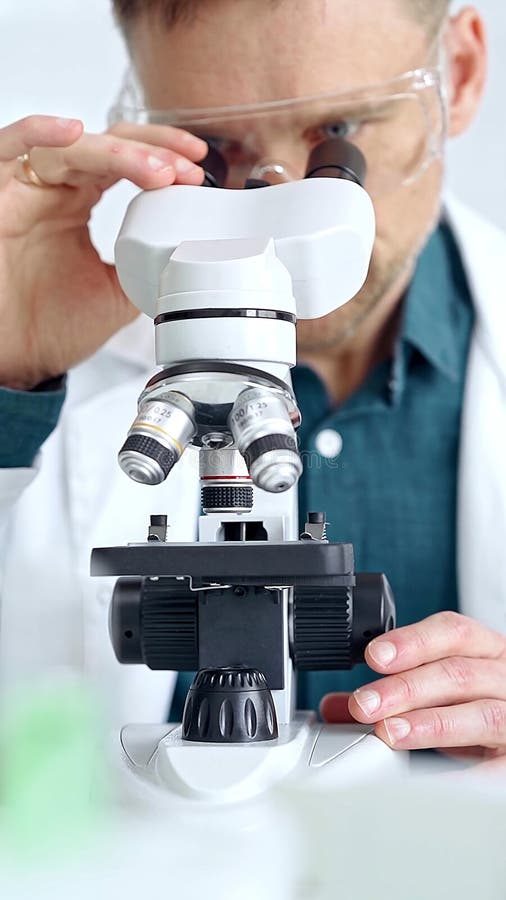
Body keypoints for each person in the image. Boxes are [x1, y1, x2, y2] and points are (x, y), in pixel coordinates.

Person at [1, 0, 505, 770]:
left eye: (339, 137)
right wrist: (10, 370)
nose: (279, 199)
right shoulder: (50, 340)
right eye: (216, 150)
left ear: (460, 75)